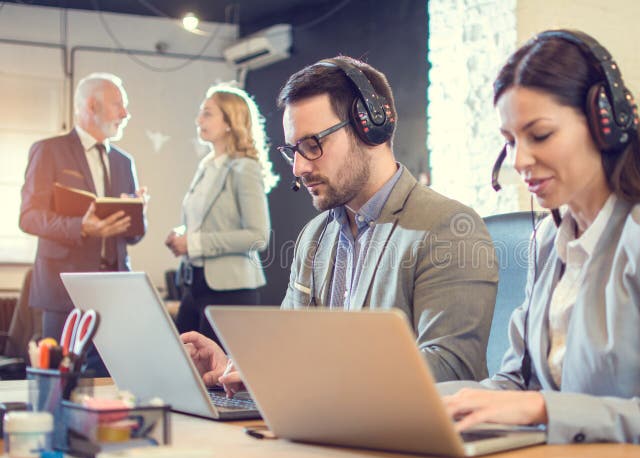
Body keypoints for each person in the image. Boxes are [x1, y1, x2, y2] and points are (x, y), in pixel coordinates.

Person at [442, 30, 640, 458]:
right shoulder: (550, 239)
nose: (519, 161)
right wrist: (427, 402)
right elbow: (516, 382)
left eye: (540, 135)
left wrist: (539, 408)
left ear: (605, 122)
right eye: (510, 142)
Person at [181, 56, 498, 392]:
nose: (299, 168)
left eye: (312, 145)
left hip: (401, 438)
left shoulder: (447, 227)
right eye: (293, 150)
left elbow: (449, 368)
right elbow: (290, 352)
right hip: (325, 428)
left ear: (370, 127)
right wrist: (239, 366)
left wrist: (307, 376)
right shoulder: (315, 236)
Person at [19, 72, 147, 375]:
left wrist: (137, 213)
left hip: (113, 291)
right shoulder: (48, 150)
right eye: (119, 105)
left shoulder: (123, 161)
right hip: (62, 289)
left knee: (110, 378)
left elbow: (133, 236)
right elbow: (29, 216)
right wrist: (81, 227)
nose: (125, 114)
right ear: (91, 106)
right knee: (60, 381)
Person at [165, 84, 272, 347]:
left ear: (229, 121)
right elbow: (207, 222)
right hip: (196, 284)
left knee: (214, 379)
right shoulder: (207, 166)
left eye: (207, 113)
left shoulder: (244, 168)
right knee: (183, 361)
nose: (198, 120)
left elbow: (258, 236)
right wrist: (182, 235)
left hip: (230, 291)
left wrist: (194, 243)